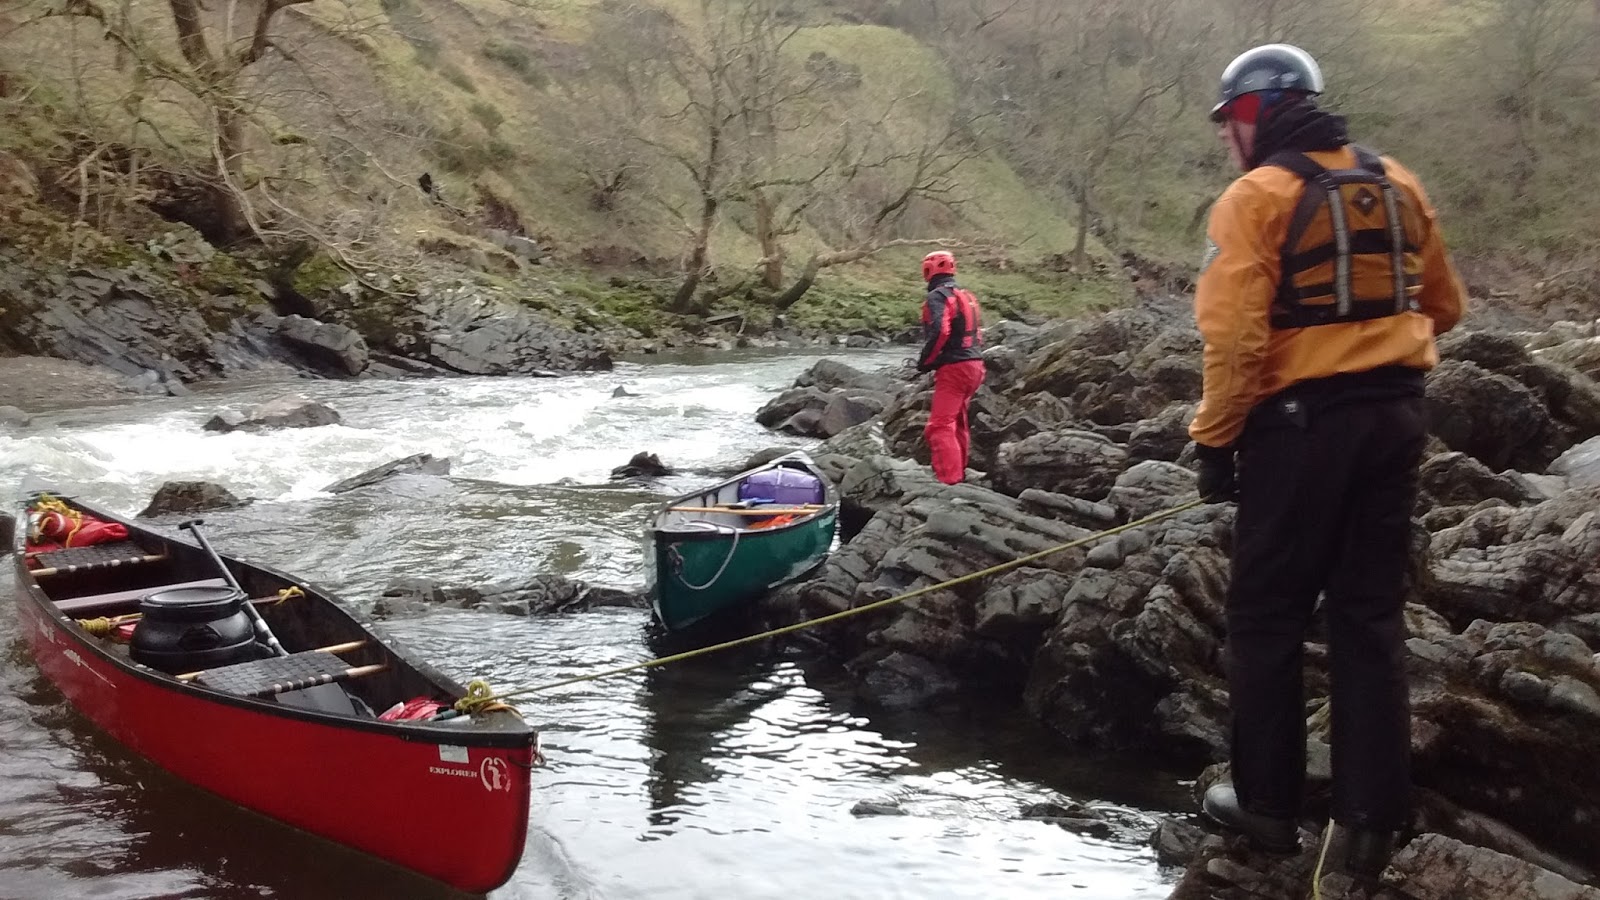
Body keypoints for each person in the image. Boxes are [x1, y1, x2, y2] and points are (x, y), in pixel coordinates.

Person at [1188, 44, 1467, 878]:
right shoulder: (1401, 182)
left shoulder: (1255, 198)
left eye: (1231, 121)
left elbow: (1233, 339)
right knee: (1368, 616)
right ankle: (1370, 821)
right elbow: (1445, 305)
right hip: (1396, 416)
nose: (1228, 139)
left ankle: (1267, 808)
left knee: (1266, 617)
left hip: (1300, 426)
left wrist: (1214, 439)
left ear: (1256, 115)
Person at [916, 250, 986, 485]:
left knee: (939, 426)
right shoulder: (966, 296)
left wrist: (926, 361)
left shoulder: (938, 297)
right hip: (975, 365)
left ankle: (950, 481)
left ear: (928, 272)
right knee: (958, 422)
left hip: (955, 369)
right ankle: (960, 472)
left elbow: (940, 331)